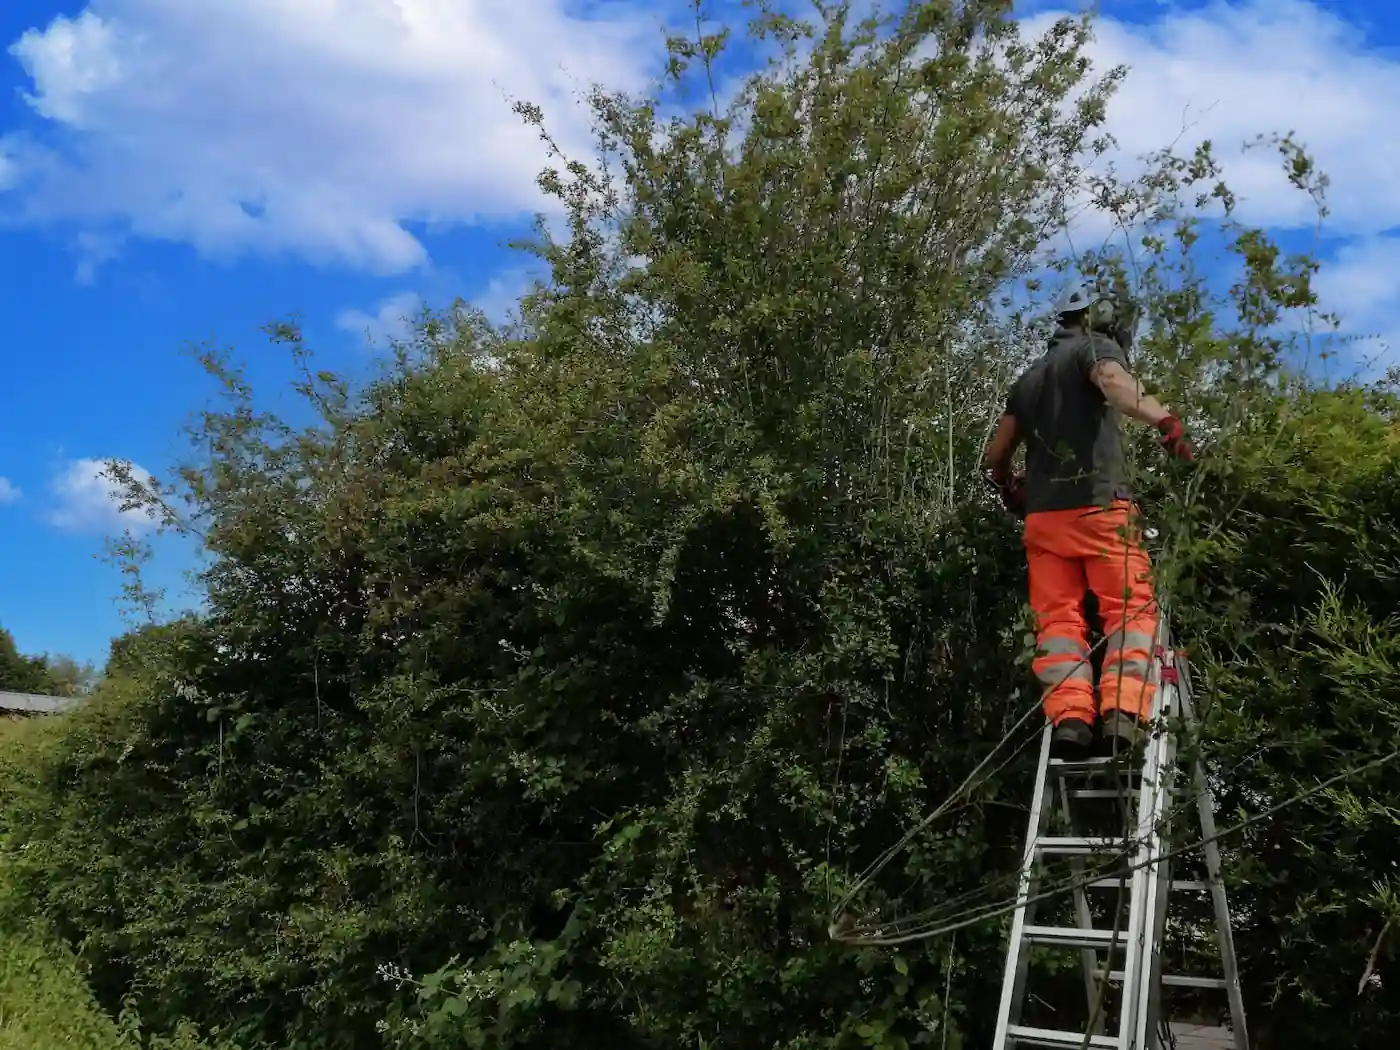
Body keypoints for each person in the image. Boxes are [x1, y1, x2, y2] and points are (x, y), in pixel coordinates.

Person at [982, 283, 1195, 759]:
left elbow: (995, 455)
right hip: (1101, 510)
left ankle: (1072, 720)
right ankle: (1121, 714)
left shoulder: (1031, 377)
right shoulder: (1095, 349)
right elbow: (1116, 385)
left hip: (1043, 522)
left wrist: (1008, 485)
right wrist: (1165, 422)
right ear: (1096, 318)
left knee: (1057, 623)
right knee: (1129, 611)